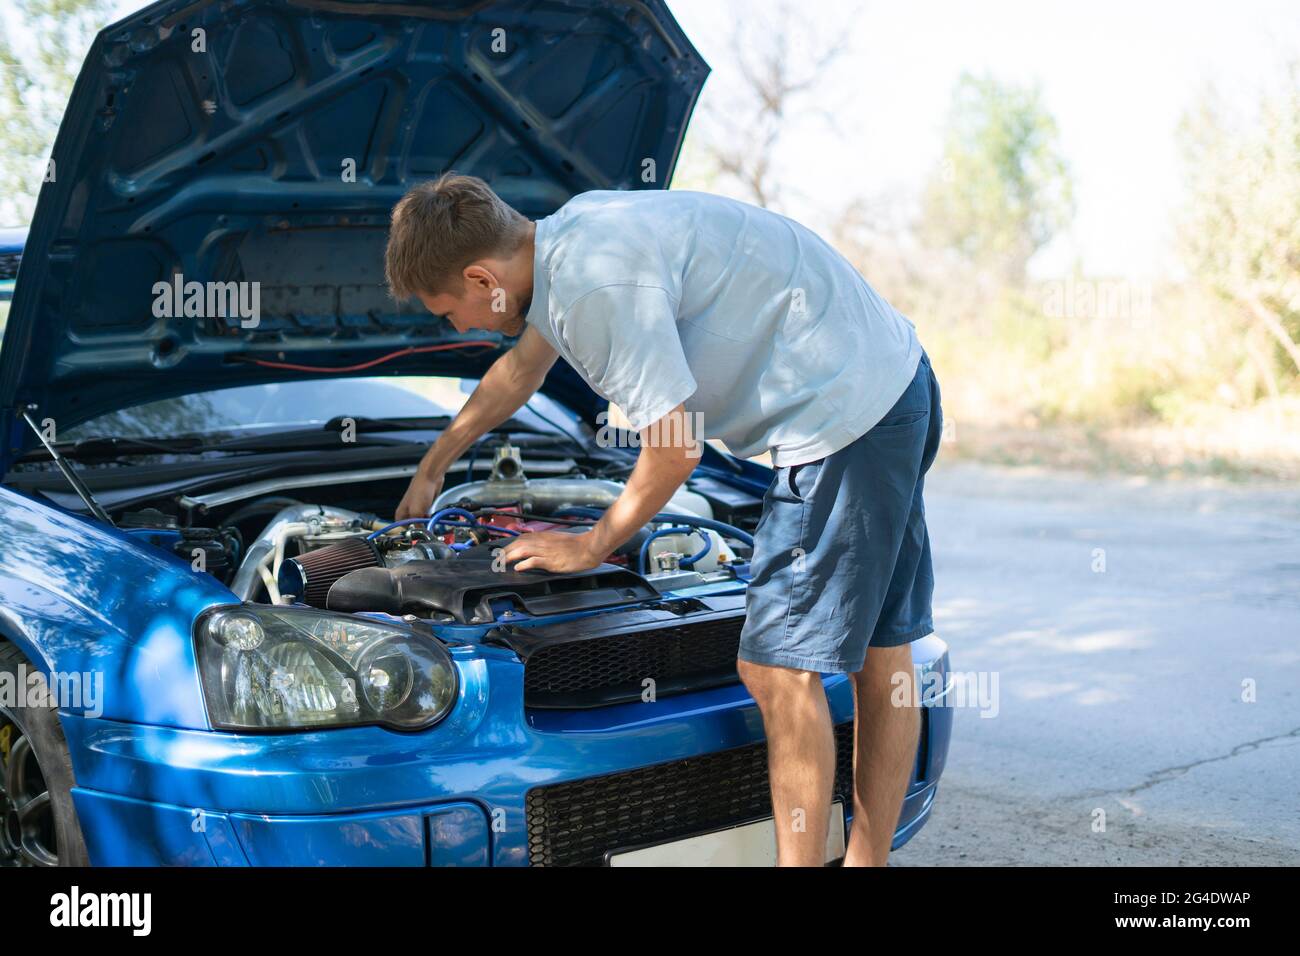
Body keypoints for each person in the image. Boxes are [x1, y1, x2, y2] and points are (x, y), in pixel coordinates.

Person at [385, 173, 943, 866]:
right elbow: (520, 370)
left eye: (448, 312)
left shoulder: (591, 289)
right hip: (895, 381)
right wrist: (434, 464)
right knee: (883, 653)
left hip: (842, 421)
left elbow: (677, 449)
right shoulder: (573, 235)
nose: (457, 327)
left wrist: (591, 544)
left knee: (776, 670)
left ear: (479, 277)